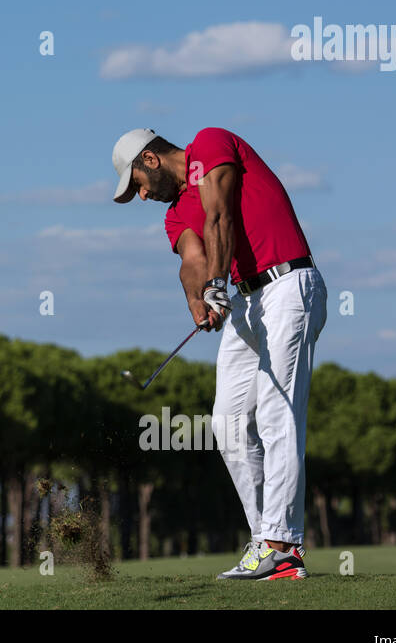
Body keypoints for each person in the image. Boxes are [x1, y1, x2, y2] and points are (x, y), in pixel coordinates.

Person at [112, 127, 327, 580]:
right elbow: (191, 257)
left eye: (138, 186)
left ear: (150, 160)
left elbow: (220, 217)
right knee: (226, 424)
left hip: (287, 287)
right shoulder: (174, 215)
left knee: (275, 414)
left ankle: (284, 547)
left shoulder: (209, 143)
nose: (143, 197)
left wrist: (216, 284)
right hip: (246, 302)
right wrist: (198, 298)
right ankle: (264, 541)